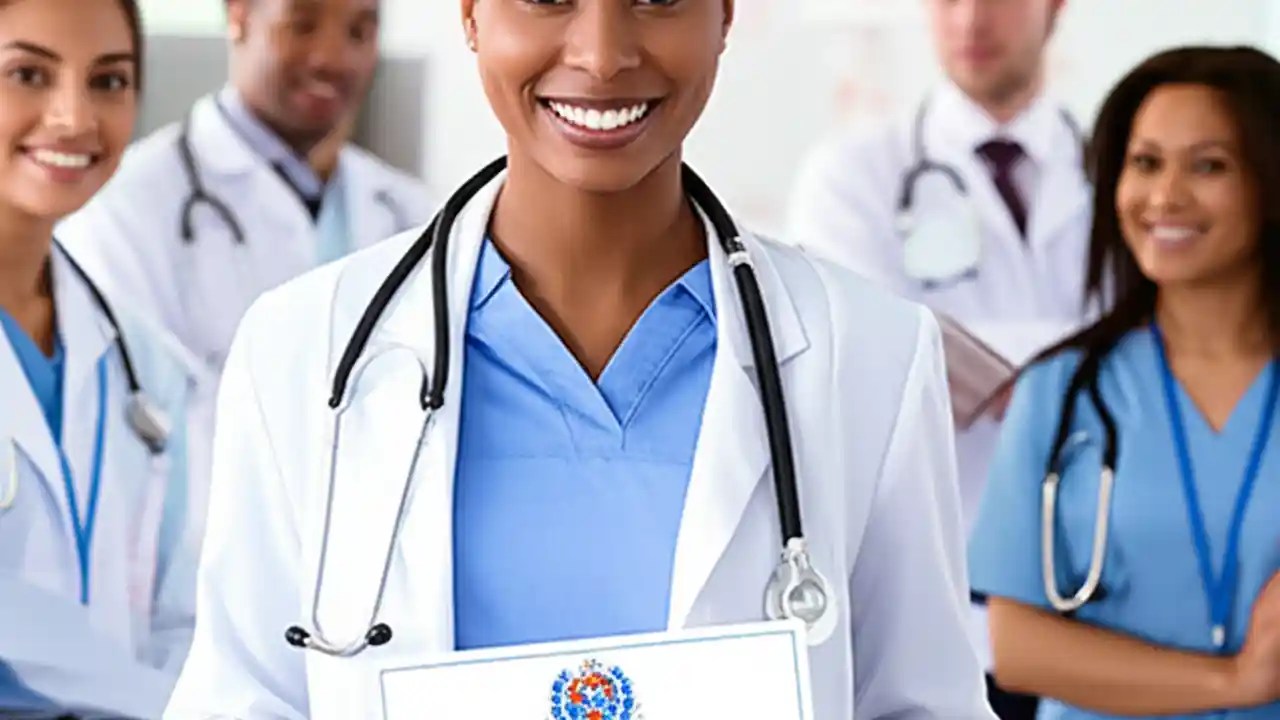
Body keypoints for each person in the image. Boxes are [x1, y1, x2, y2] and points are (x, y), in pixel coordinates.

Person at [162, 1, 995, 718]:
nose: (601, 55)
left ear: (727, 16)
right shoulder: (304, 350)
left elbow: (924, 705)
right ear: (470, 15)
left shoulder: (873, 355)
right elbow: (243, 696)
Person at [784, 1, 1091, 715]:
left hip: (1108, 607)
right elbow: (880, 357)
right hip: (940, 607)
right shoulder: (853, 176)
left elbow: (1185, 345)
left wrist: (970, 352)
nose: (971, 20)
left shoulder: (1122, 169)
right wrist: (1098, 356)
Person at [53, 0, 436, 557]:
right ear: (238, 15)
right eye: (302, 24)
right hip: (202, 585)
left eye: (360, 30)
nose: (333, 57)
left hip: (377, 576)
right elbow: (142, 445)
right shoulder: (125, 209)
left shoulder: (414, 213)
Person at [968, 45, 1280, 719]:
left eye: (1209, 165)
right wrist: (1234, 682)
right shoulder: (1064, 391)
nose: (1165, 195)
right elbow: (1017, 646)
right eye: (1145, 163)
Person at [0, 0, 200, 716]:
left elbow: (190, 609)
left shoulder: (147, 366)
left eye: (109, 81)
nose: (73, 118)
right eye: (27, 73)